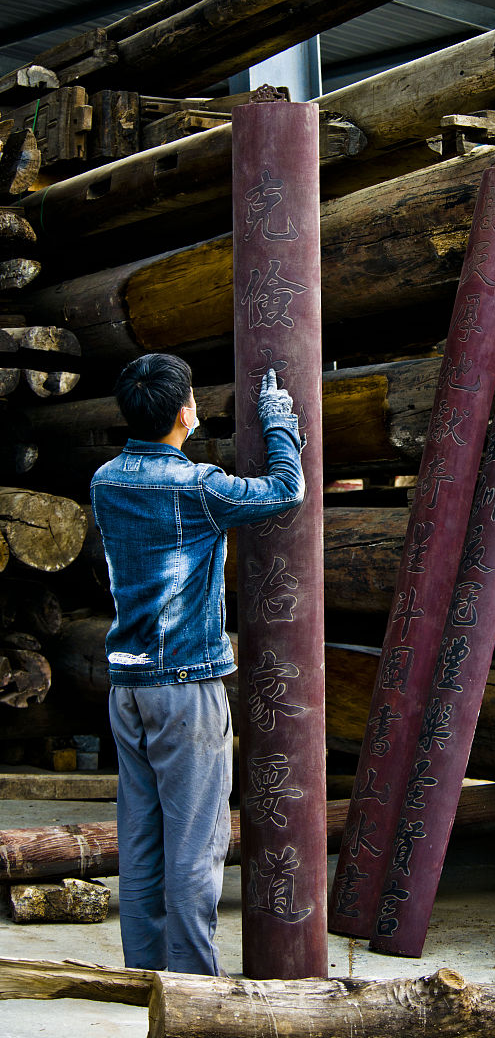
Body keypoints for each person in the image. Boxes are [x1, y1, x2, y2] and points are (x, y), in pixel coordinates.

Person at [90, 352, 304, 975]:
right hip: (185, 685)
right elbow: (285, 490)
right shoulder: (199, 487)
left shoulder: (106, 480)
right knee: (195, 847)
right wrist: (278, 418)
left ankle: (147, 982)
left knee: (142, 842)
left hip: (127, 685)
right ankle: (193, 994)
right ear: (186, 413)